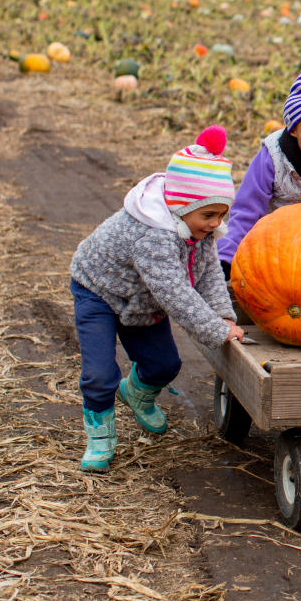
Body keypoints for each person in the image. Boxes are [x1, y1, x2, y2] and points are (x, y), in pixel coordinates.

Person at [70, 125, 246, 473]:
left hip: (142, 298)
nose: (215, 224)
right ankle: (100, 437)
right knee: (100, 374)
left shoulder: (198, 228)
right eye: (208, 215)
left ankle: (136, 393)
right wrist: (215, 330)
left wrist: (224, 314)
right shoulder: (153, 236)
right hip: (99, 291)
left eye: (221, 215)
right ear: (181, 207)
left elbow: (209, 273)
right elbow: (175, 294)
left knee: (165, 365)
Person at [218, 70, 301, 277]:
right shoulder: (272, 157)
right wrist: (227, 256)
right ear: (293, 130)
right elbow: (247, 209)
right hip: (273, 241)